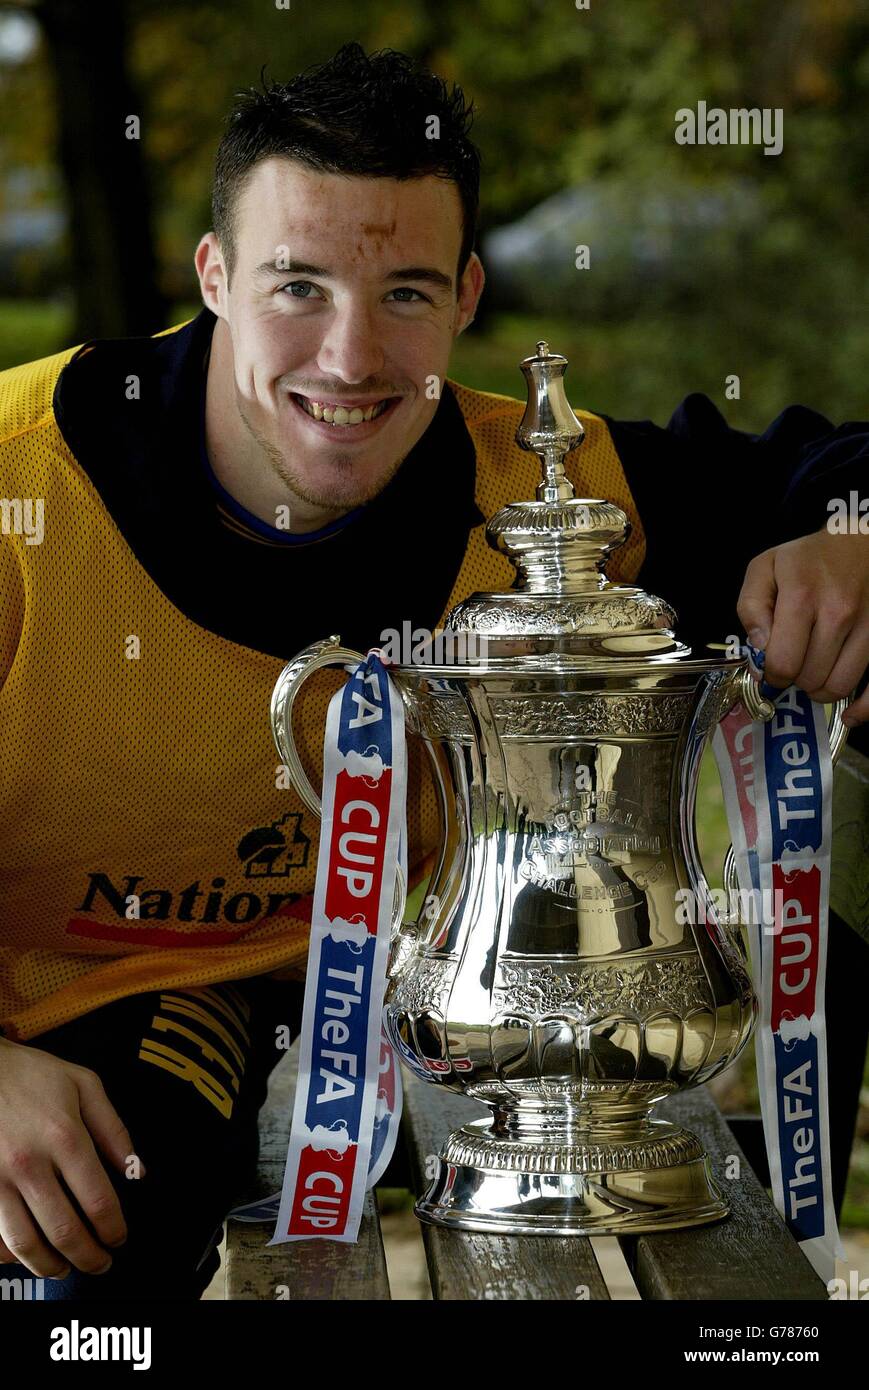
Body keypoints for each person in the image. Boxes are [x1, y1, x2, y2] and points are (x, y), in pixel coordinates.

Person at [0, 42, 867, 1301]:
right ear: (215, 275)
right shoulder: (25, 485)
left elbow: (818, 462)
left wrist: (850, 538)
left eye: (403, 292)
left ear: (465, 295)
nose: (350, 359)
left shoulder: (543, 490)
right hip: (60, 1002)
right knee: (69, 1255)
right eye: (297, 285)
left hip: (404, 1014)